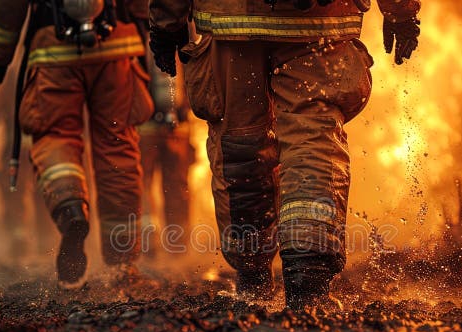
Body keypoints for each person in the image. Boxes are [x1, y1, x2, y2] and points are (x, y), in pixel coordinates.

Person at [149, 0, 421, 309]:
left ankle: (253, 278)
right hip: (318, 26)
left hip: (231, 22)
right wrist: (401, 11)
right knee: (312, 140)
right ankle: (308, 279)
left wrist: (166, 22)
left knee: (241, 147)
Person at [0, 0, 154, 288]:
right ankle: (122, 264)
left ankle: (71, 210)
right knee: (117, 148)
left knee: (55, 138)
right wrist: (154, 31)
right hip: (117, 47)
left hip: (53, 50)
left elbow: (7, 5)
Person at [0, 70, 55, 260]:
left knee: (14, 194)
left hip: (16, 150)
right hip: (44, 149)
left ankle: (20, 241)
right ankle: (44, 243)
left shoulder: (9, 80)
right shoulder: (48, 76)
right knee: (44, 193)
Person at [138, 42, 195, 257]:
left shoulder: (140, 31)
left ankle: (156, 245)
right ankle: (173, 245)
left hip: (151, 124)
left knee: (150, 184)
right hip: (170, 124)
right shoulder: (184, 31)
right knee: (174, 186)